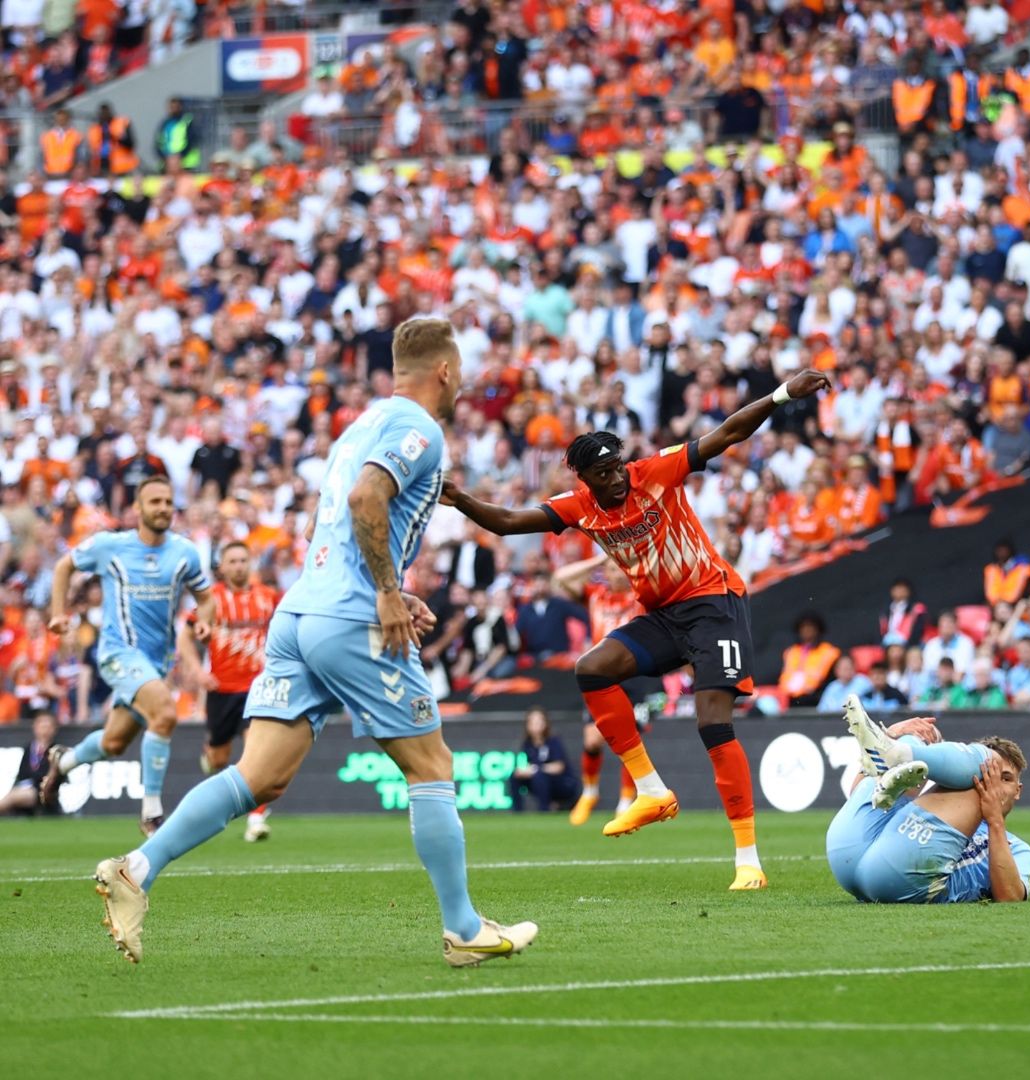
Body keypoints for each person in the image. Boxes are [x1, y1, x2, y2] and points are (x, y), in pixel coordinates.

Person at [91, 318, 536, 967]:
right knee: (433, 767)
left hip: (301, 611)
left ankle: (137, 867)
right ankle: (464, 929)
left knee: (258, 776)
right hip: (352, 616)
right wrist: (385, 591)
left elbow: (345, 513)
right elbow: (365, 499)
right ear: (444, 371)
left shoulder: (360, 425)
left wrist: (389, 585)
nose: (463, 380)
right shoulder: (421, 428)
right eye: (461, 370)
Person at [441, 367, 833, 891]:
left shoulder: (657, 471)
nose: (618, 477)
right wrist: (462, 499)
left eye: (619, 466)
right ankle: (650, 790)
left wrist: (783, 394)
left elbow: (729, 433)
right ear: (586, 480)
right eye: (605, 473)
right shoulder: (580, 508)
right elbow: (510, 523)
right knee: (593, 669)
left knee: (712, 723)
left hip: (713, 599)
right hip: (664, 615)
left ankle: (748, 860)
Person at [40, 475, 215, 835]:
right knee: (164, 713)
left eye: (168, 502)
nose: (164, 508)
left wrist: (204, 623)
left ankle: (65, 759)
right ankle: (152, 814)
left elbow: (206, 597)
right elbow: (63, 566)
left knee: (114, 742)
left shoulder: (184, 553)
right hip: (118, 654)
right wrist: (58, 613)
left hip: (156, 664)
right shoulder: (110, 546)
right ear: (137, 509)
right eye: (155, 502)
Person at [831, 701, 1030, 903]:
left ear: (1018, 791)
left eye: (1005, 779)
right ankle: (891, 749)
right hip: (849, 846)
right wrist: (892, 733)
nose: (993, 785)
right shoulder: (939, 800)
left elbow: (1011, 897)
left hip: (900, 876)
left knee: (991, 760)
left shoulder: (1019, 849)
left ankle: (896, 752)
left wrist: (994, 820)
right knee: (927, 734)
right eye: (988, 777)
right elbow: (857, 797)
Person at [176, 540, 278, 843]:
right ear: (222, 567)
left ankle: (256, 819)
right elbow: (185, 636)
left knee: (257, 754)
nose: (238, 566)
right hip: (222, 690)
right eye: (232, 561)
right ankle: (211, 755)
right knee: (220, 759)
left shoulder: (268, 597)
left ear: (251, 563)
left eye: (243, 560)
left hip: (258, 688)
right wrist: (197, 671)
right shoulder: (213, 600)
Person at [511, 708, 580, 813]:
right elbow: (527, 765)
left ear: (545, 723)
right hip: (539, 782)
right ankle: (517, 811)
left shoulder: (553, 741)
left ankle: (544, 810)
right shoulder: (527, 744)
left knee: (539, 775)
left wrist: (536, 769)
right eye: (532, 722)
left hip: (562, 784)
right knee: (515, 776)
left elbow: (558, 767)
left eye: (539, 721)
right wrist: (523, 771)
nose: (536, 725)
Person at [3, 712, 58, 814]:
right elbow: (22, 773)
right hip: (25, 788)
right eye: (42, 726)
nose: (45, 730)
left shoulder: (56, 751)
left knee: (13, 797)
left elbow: (53, 777)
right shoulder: (29, 748)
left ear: (54, 729)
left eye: (48, 727)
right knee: (13, 794)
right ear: (35, 727)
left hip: (41, 792)